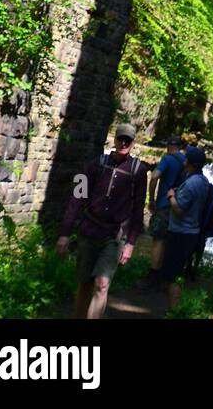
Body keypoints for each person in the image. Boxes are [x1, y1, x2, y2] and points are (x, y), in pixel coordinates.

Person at [56, 121, 147, 319]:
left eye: (128, 140)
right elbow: (76, 199)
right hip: (89, 231)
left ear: (132, 143)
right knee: (84, 284)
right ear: (114, 139)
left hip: (114, 236)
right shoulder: (94, 164)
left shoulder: (139, 171)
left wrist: (131, 243)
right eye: (120, 138)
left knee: (102, 284)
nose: (123, 143)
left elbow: (138, 210)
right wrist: (64, 233)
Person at [161, 144, 211, 311]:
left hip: (180, 234)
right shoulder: (203, 181)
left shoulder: (190, 184)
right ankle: (174, 310)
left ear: (190, 163)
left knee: (172, 276)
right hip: (193, 233)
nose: (184, 159)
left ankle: (174, 312)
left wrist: (171, 196)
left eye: (187, 157)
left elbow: (179, 210)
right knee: (177, 274)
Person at [145, 135, 185, 287]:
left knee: (158, 240)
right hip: (180, 206)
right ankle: (166, 276)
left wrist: (152, 199)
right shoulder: (186, 161)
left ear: (169, 146)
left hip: (164, 205)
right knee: (170, 241)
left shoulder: (167, 159)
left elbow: (154, 176)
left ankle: (153, 276)